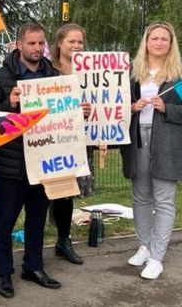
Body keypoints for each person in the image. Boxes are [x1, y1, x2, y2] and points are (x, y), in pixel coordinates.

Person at [0, 22, 62, 299]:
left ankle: (34, 266)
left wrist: (79, 110)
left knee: (37, 219)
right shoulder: (1, 77)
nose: (37, 49)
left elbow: (64, 114)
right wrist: (9, 104)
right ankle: (3, 272)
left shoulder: (54, 75)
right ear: (19, 44)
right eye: (31, 43)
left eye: (41, 43)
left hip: (44, 161)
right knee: (4, 221)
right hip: (11, 164)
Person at [120, 22, 182, 280]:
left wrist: (166, 108)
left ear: (171, 44)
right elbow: (117, 104)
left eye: (164, 39)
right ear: (146, 42)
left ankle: (157, 257)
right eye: (154, 38)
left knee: (163, 199)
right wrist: (132, 107)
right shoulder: (131, 71)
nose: (159, 43)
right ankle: (145, 245)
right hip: (137, 138)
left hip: (167, 139)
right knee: (140, 196)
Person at [48, 23, 107, 265]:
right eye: (71, 41)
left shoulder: (90, 71)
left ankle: (64, 240)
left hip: (80, 139)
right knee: (45, 193)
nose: (76, 45)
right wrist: (72, 109)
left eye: (80, 41)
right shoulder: (48, 70)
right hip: (51, 138)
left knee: (67, 194)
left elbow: (104, 101)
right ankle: (37, 242)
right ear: (59, 43)